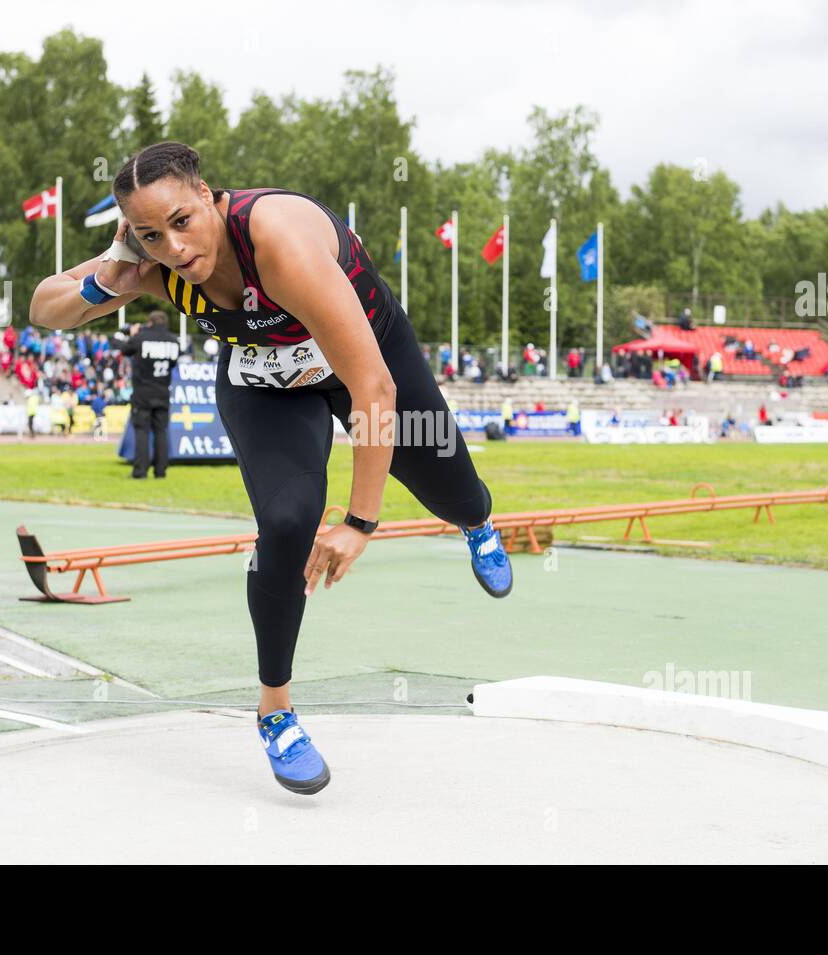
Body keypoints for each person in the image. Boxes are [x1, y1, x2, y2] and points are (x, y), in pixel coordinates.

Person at [28, 141, 511, 796]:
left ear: (207, 194)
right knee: (285, 522)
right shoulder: (149, 264)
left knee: (453, 488)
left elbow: (374, 387)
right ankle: (275, 710)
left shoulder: (275, 241)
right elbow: (43, 309)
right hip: (265, 382)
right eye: (149, 235)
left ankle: (478, 523)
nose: (172, 247)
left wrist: (360, 522)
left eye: (180, 221)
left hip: (361, 359)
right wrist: (112, 272)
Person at [116, 310, 179, 478]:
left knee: (142, 431)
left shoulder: (141, 338)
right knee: (161, 432)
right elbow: (173, 364)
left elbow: (124, 349)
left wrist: (133, 334)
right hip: (163, 390)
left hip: (143, 391)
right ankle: (161, 470)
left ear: (149, 323)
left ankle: (140, 470)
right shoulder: (174, 341)